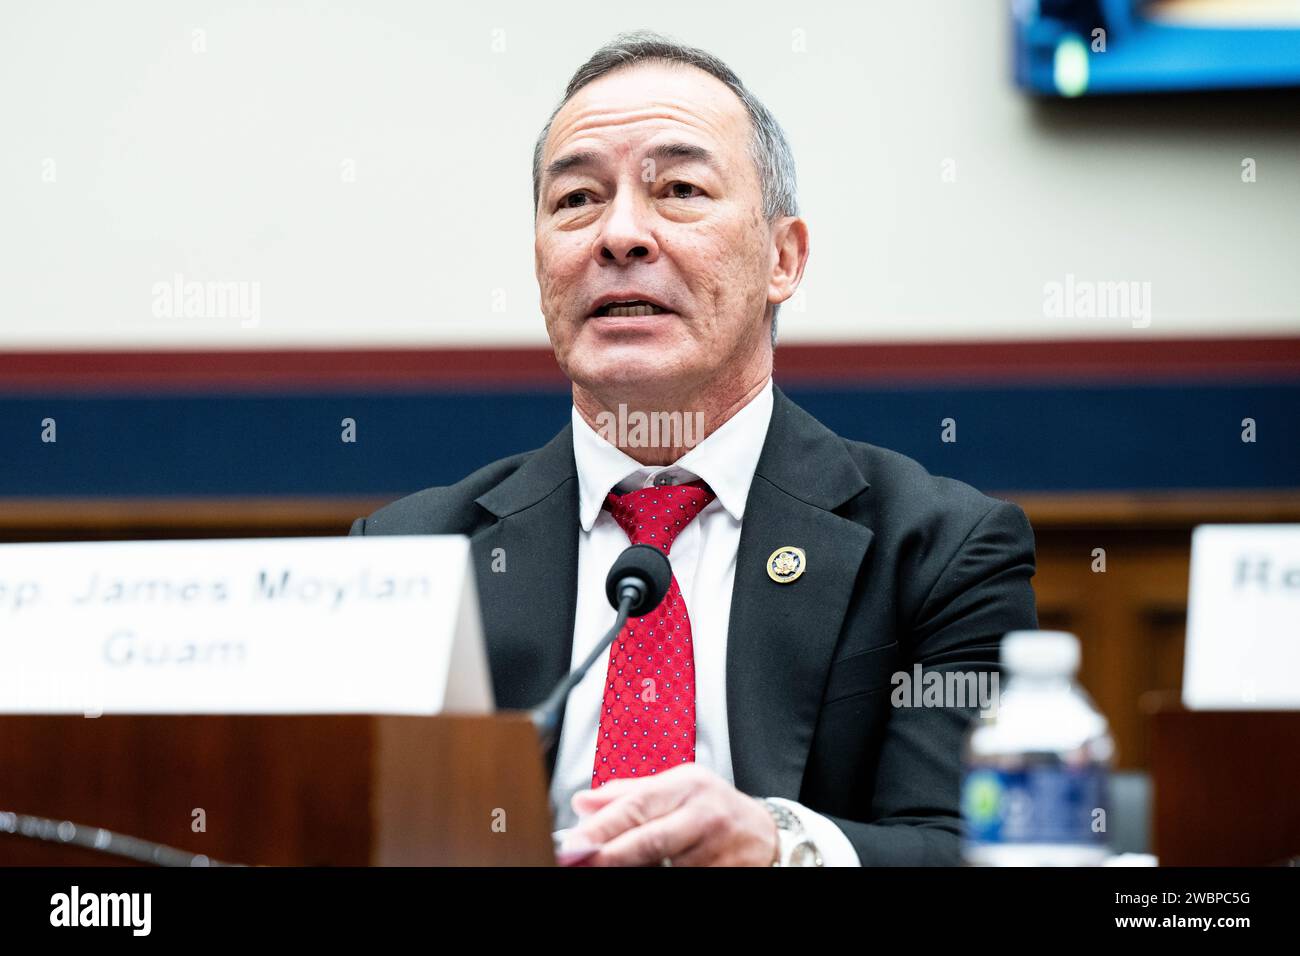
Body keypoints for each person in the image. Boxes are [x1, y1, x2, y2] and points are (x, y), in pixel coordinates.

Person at [351, 31, 1038, 866]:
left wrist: (780, 844)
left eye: (678, 189)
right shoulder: (416, 554)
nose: (620, 237)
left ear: (783, 258)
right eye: (575, 201)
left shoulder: (939, 552)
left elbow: (980, 851)